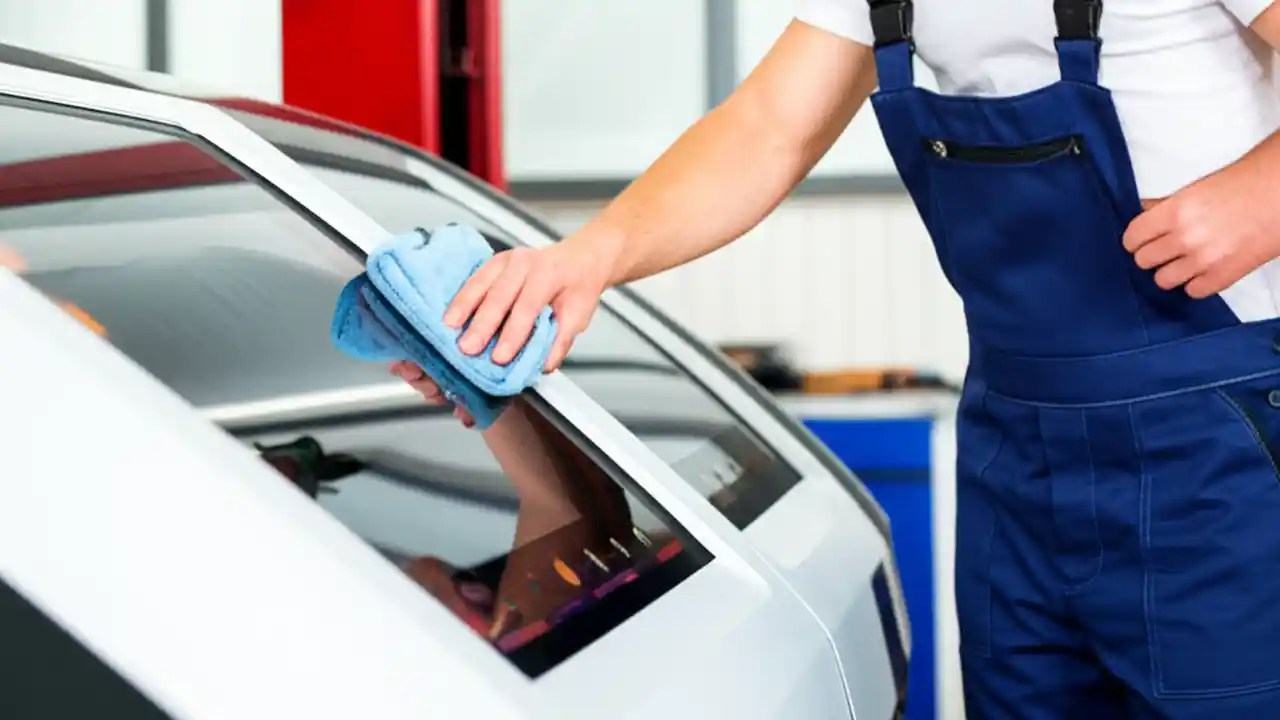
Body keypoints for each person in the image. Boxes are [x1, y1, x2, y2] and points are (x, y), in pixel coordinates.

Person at [402, 1, 1280, 717]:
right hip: (1015, 453)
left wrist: (1263, 192)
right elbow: (767, 129)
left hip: (1215, 443)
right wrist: (585, 258)